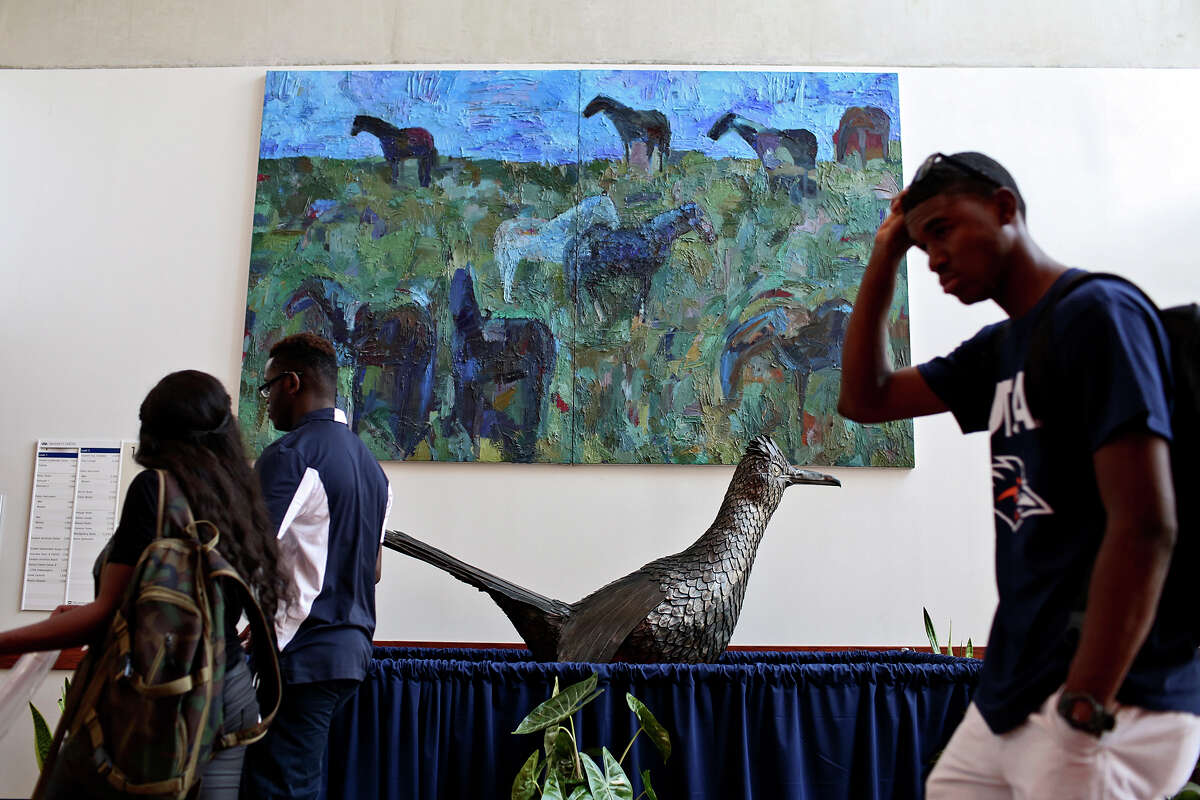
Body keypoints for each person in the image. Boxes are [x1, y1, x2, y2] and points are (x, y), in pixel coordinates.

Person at [838, 151, 1200, 798]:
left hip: (1112, 695)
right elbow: (866, 399)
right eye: (922, 246)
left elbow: (1146, 523)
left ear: (1005, 208)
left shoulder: (1097, 314)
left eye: (943, 231)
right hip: (1015, 692)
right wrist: (887, 250)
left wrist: (1087, 704)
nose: (935, 258)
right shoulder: (1004, 349)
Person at [0, 370, 290, 799]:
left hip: (164, 694)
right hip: (229, 690)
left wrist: (5, 641)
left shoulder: (154, 488)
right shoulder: (239, 492)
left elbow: (102, 618)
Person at [240, 333, 392, 800]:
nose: (264, 405)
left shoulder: (293, 456)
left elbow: (245, 553)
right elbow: (374, 571)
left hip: (303, 657)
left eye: (266, 390)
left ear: (291, 383)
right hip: (350, 654)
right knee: (296, 782)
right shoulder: (372, 467)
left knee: (279, 790)